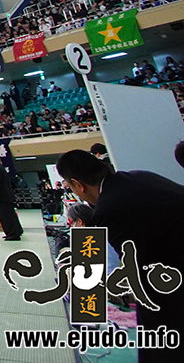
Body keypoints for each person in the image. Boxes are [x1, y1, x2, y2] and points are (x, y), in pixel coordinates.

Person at [57, 149, 184, 362]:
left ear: (79, 185)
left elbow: (139, 268)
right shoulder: (137, 176)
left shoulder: (109, 209)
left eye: (70, 187)